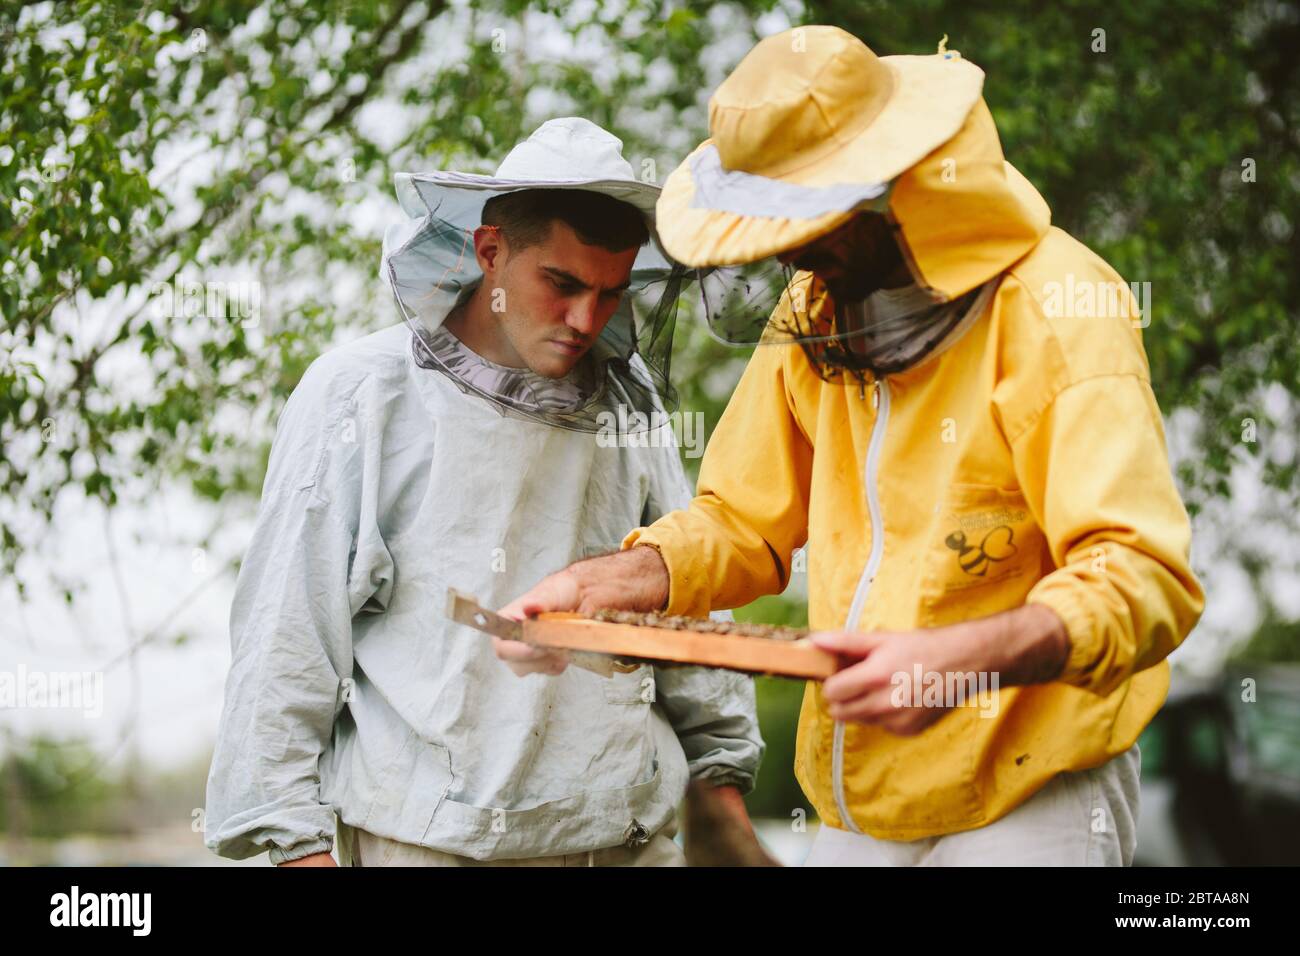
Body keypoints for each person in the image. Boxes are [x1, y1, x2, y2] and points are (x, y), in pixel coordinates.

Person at [495, 29, 1205, 866]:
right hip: (864, 787)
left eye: (811, 228)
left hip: (1035, 786)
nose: (799, 260)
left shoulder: (1060, 307)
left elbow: (1142, 575)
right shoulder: (823, 304)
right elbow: (740, 523)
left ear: (887, 191)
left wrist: (959, 661)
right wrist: (600, 584)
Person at [204, 117, 768, 867]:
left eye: (609, 292)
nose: (585, 319)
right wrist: (295, 847)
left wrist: (722, 783)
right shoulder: (360, 397)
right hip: (426, 845)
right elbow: (286, 643)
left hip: (627, 840)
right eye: (561, 284)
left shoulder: (631, 406)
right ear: (490, 250)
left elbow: (683, 589)